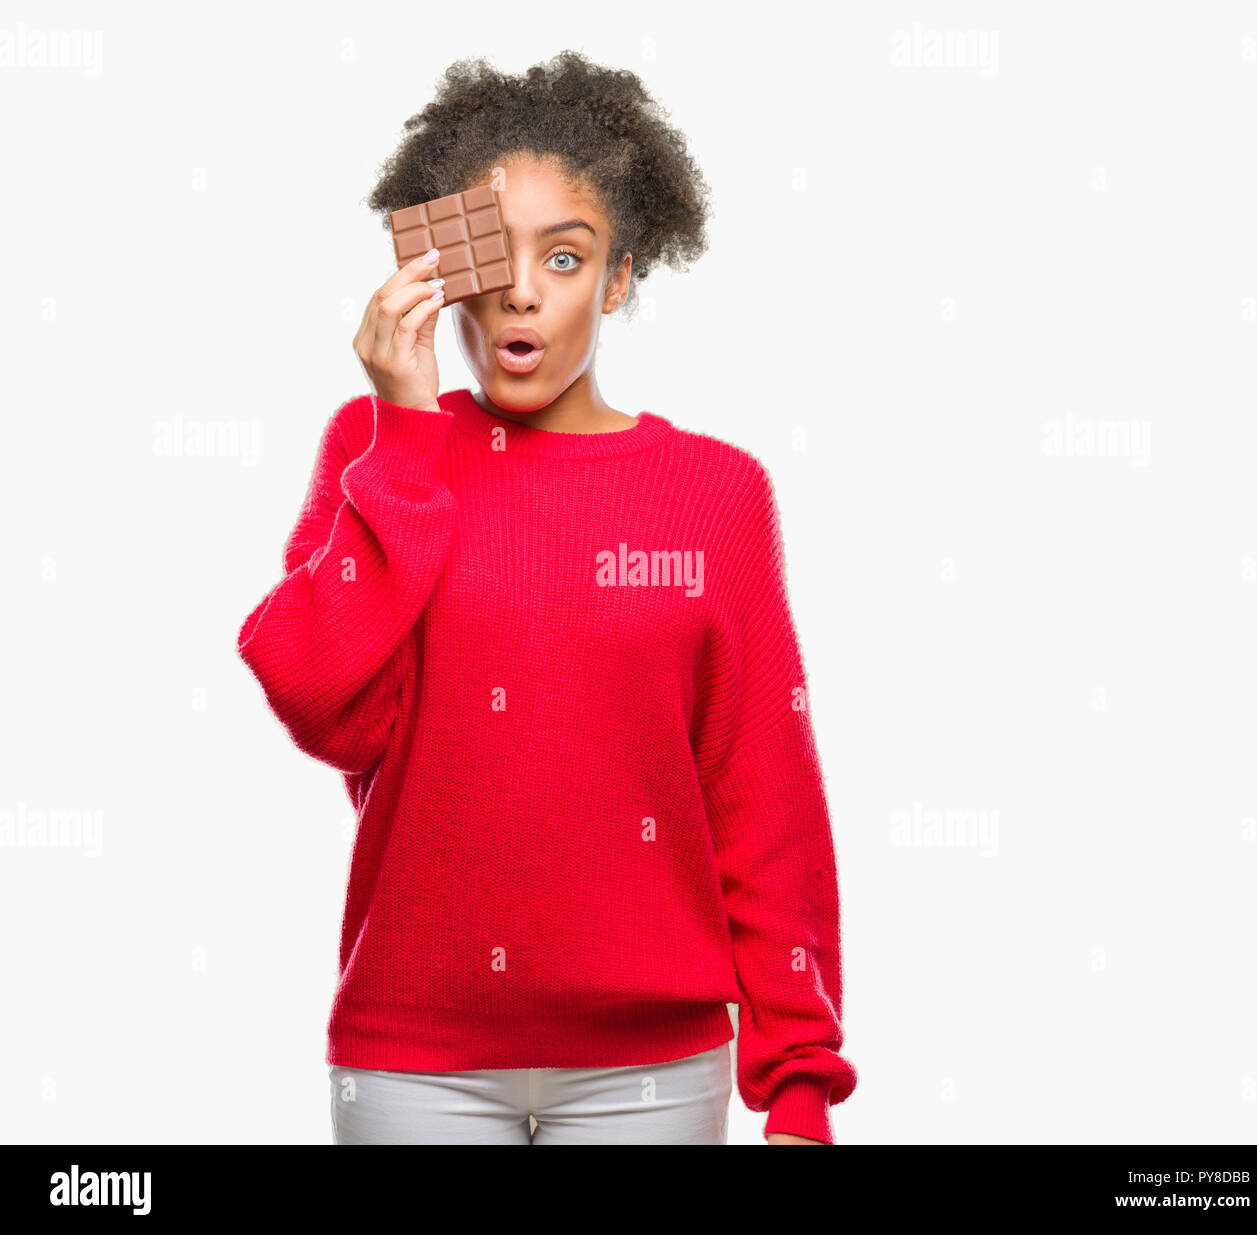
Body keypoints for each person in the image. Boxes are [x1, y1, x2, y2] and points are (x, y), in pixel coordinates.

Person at [236, 49, 856, 1145]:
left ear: (616, 279)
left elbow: (763, 794)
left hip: (652, 1070)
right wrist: (408, 433)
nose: (522, 289)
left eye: (564, 257)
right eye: (496, 255)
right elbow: (320, 703)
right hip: (411, 1060)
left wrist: (798, 1077)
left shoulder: (716, 494)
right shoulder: (376, 449)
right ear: (443, 266)